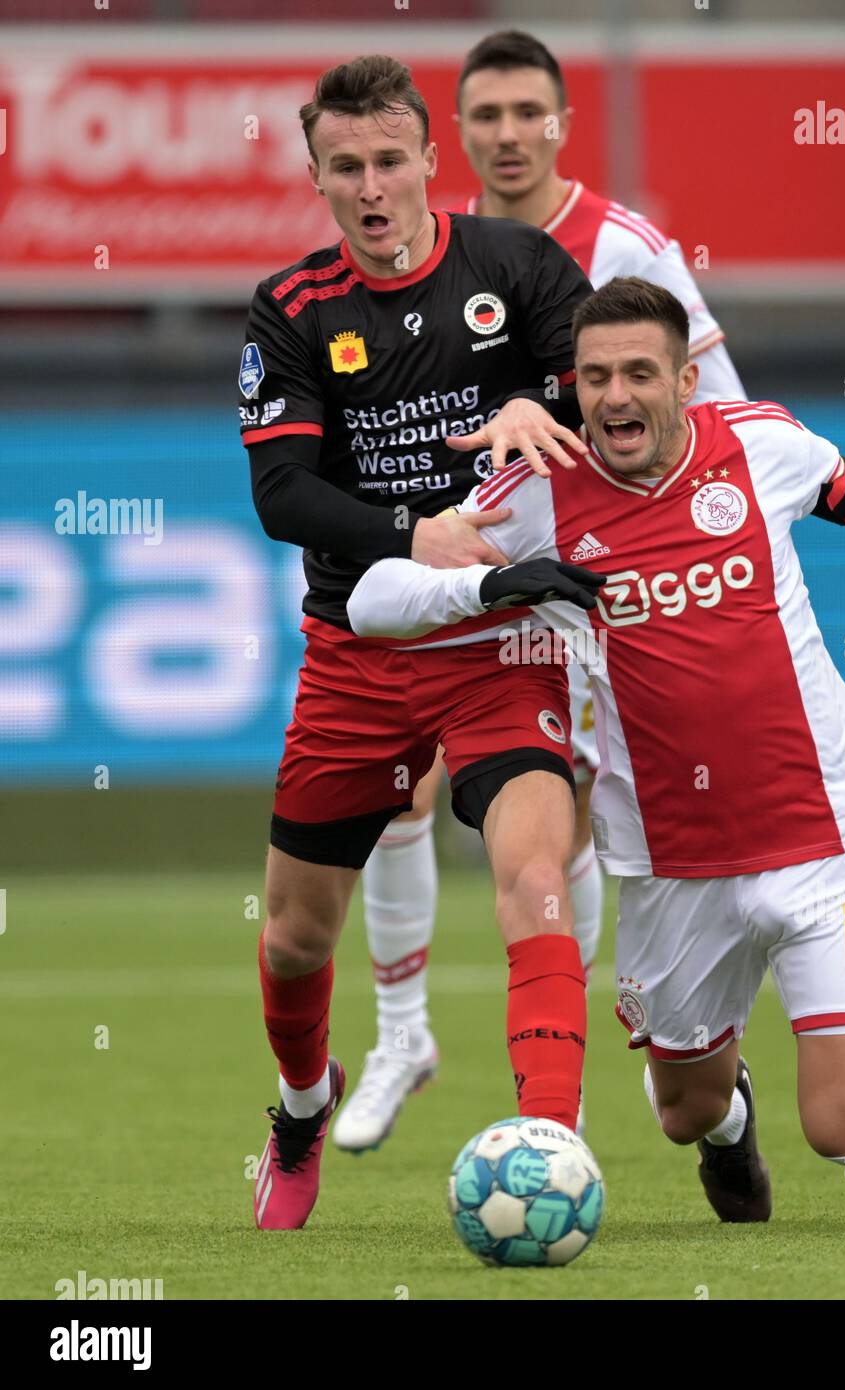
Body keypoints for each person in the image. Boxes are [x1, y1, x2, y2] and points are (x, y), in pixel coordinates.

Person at [347, 277, 845, 1221]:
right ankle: (729, 1128)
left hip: (823, 831)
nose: (616, 397)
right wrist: (492, 585)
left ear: (686, 376)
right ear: (572, 387)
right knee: (685, 1112)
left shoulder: (758, 446)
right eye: (594, 378)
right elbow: (370, 599)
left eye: (638, 373)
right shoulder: (536, 492)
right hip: (673, 859)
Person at [341, 28, 747, 1153]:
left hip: (593, 579)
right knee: (395, 782)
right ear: (450, 136)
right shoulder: (424, 247)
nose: (508, 135)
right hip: (461, 564)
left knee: (562, 807)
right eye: (486, 117)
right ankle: (401, 1032)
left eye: (529, 113)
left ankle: (646, 1036)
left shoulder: (621, 243)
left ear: (561, 124)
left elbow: (714, 413)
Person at [240, 53, 605, 1230]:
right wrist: (414, 528)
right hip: (358, 650)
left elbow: (614, 411)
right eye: (344, 168)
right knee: (295, 935)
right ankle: (301, 1107)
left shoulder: (519, 268)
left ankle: (551, 1142)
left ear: (427, 163)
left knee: (534, 878)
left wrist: (541, 407)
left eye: (390, 160)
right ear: (317, 180)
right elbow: (282, 490)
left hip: (503, 642)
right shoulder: (291, 310)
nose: (372, 186)